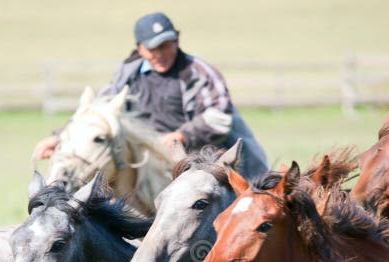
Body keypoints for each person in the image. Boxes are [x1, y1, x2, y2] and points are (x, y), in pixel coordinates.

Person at [32, 12, 269, 179]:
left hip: (205, 161)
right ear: (140, 48)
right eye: (152, 48)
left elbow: (217, 118)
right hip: (151, 163)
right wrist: (59, 137)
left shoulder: (198, 73)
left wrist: (180, 136)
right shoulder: (129, 73)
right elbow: (98, 111)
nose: (160, 53)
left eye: (166, 45)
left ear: (177, 41)